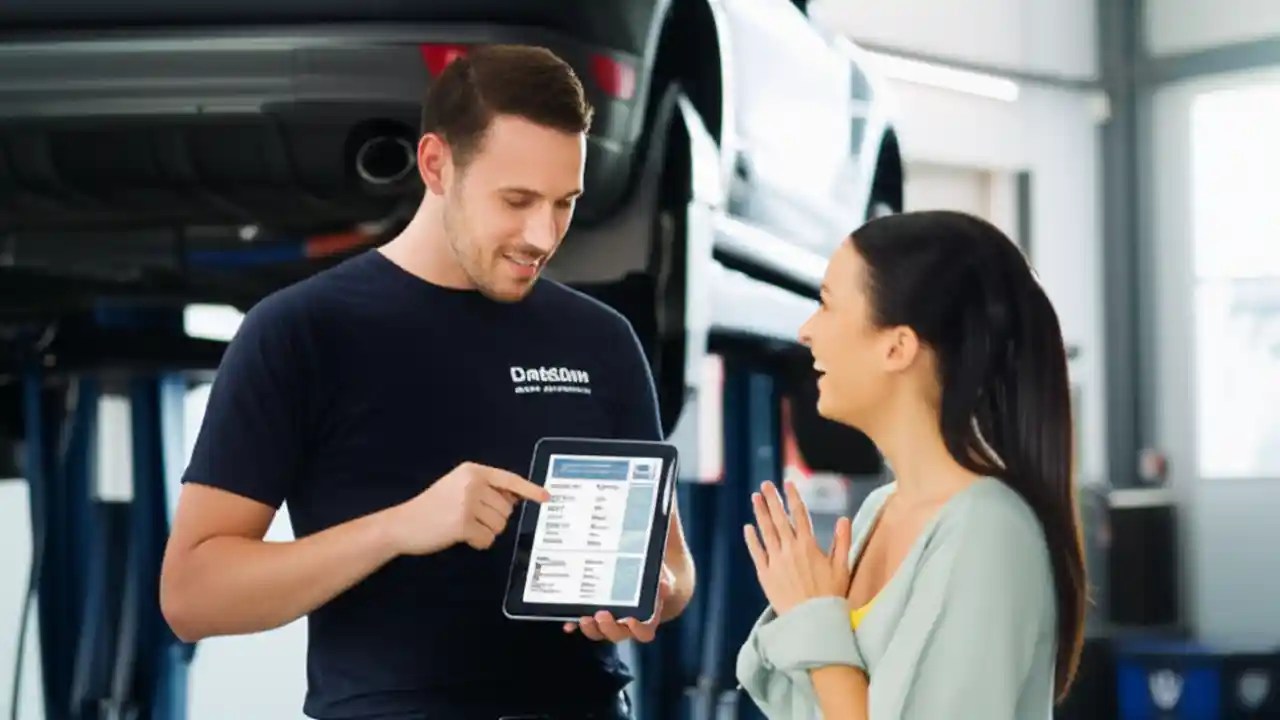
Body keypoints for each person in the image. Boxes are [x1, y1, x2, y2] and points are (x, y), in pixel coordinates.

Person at [159, 44, 695, 720]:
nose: (542, 234)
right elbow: (191, 596)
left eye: (564, 203)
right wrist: (400, 528)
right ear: (437, 165)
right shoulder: (302, 331)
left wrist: (655, 594)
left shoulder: (603, 340)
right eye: (517, 200)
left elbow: (671, 562)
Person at [734, 210, 1086, 719]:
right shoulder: (883, 510)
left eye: (827, 305)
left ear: (897, 347)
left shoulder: (987, 530)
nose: (807, 331)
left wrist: (813, 618)